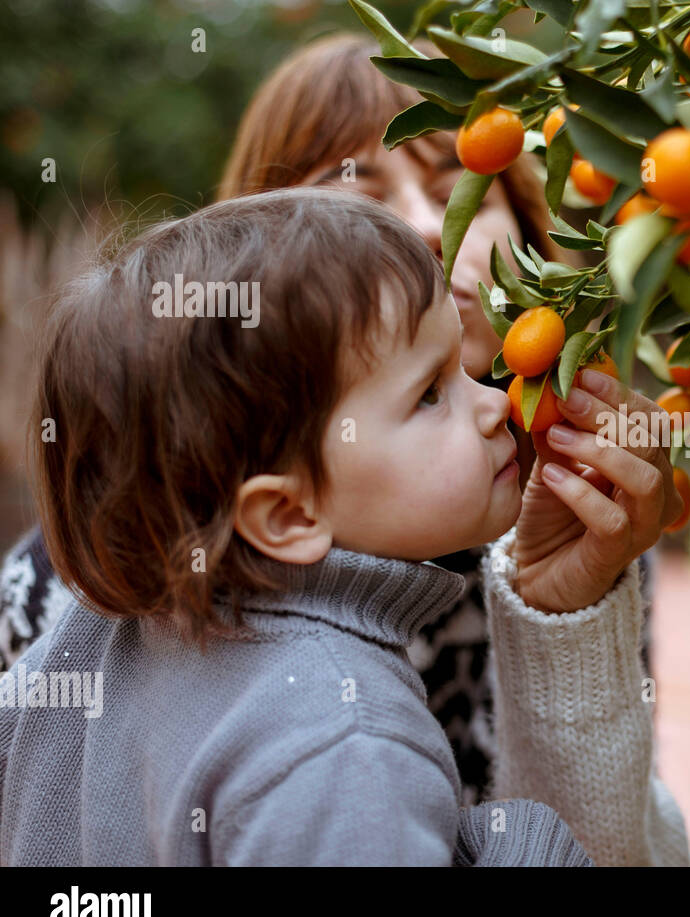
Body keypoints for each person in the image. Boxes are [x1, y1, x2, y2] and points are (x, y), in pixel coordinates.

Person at [0, 33, 653, 805]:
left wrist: (569, 624)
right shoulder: (79, 590)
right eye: (362, 195)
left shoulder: (582, 508)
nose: (423, 229)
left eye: (458, 191)